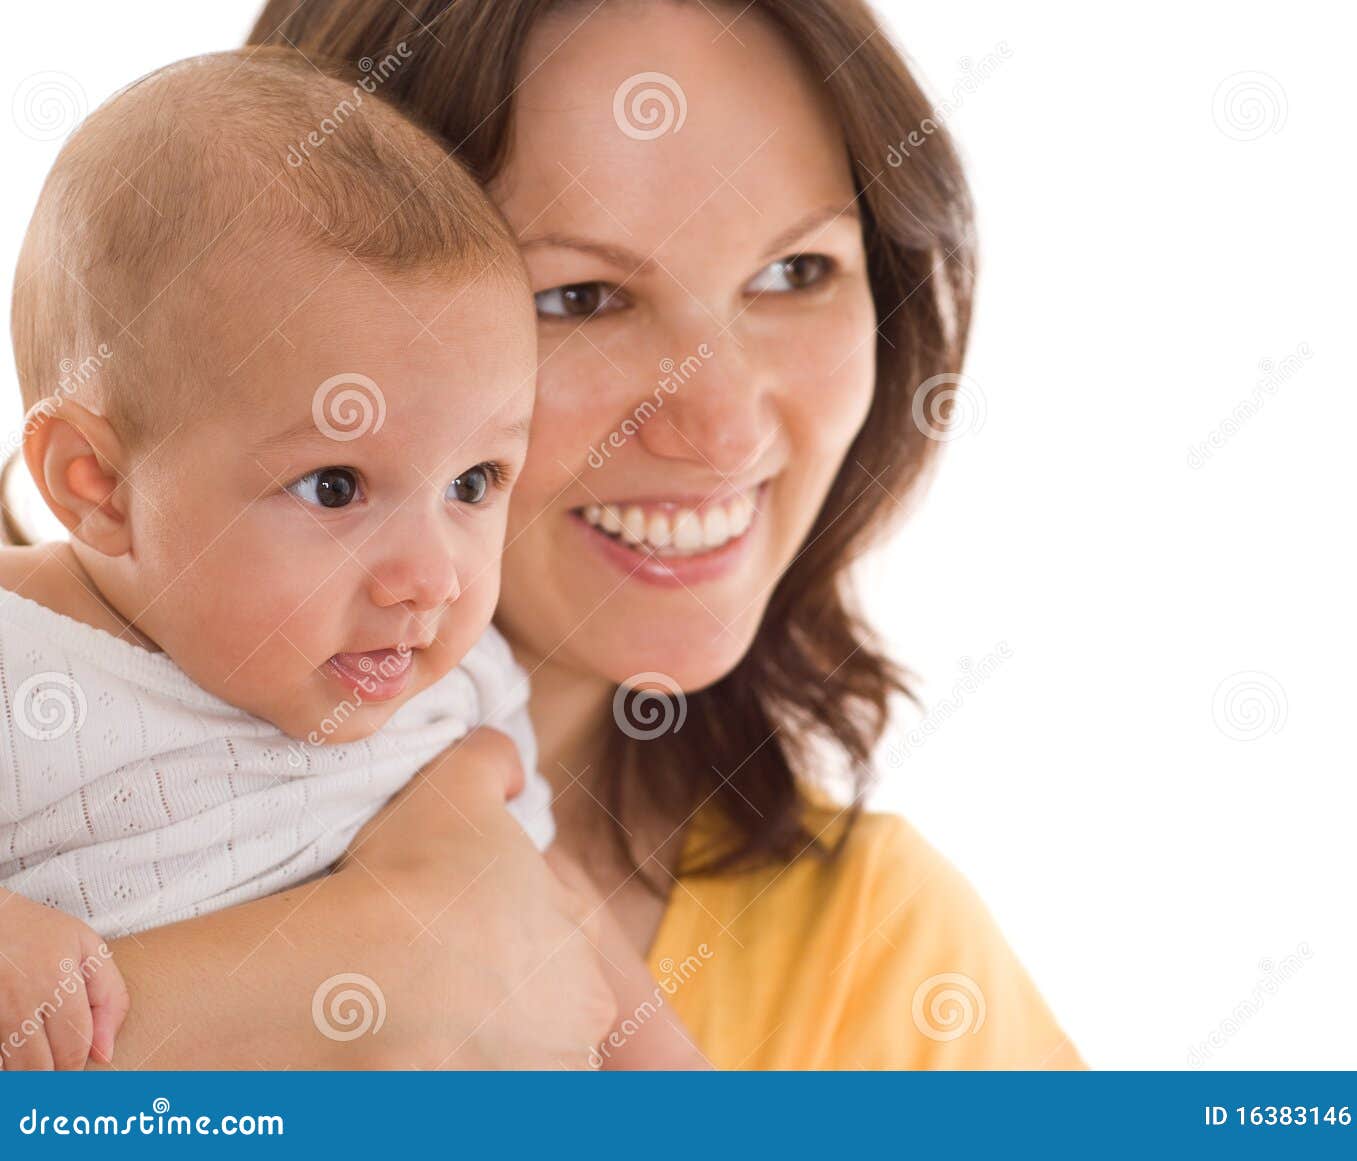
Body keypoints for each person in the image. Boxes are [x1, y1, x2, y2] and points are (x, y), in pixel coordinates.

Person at [62, 0, 1084, 1070]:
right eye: (581, 297)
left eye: (796, 272)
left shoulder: (891, 958)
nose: (725, 427)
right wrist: (306, 979)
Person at [0, 49, 562, 1067]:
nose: (430, 578)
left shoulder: (456, 691)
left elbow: (558, 943)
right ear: (98, 483)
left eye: (473, 483)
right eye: (336, 488)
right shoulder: (21, 666)